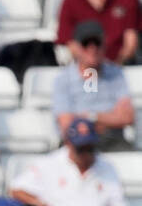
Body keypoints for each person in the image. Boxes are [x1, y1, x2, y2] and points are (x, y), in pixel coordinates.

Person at [9, 117, 127, 206]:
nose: (86, 154)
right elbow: (17, 191)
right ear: (68, 144)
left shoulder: (107, 166)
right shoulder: (49, 164)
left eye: (89, 148)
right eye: (81, 149)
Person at [51, 20, 135, 151]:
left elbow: (127, 117)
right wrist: (108, 119)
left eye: (97, 43)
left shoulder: (116, 73)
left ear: (104, 45)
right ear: (76, 47)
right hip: (77, 140)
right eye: (86, 44)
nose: (92, 49)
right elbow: (66, 123)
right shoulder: (63, 79)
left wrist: (91, 116)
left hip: (112, 140)